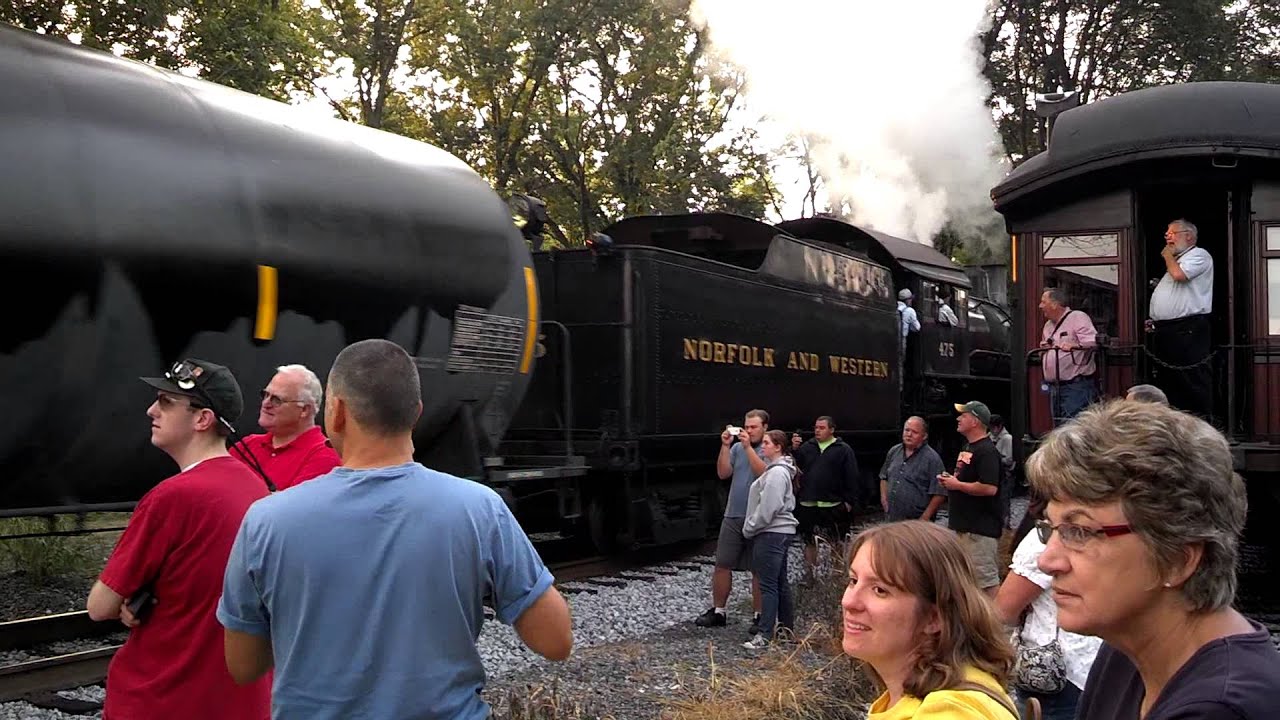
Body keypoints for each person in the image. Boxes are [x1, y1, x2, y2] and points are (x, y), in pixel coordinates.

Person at [217, 339, 572, 719]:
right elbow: (555, 641)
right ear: (416, 413)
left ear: (336, 412)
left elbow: (244, 666)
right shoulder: (479, 508)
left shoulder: (267, 519)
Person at [1027, 399, 1280, 719]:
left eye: (1078, 531)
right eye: (1051, 528)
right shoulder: (1125, 650)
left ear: (1177, 558)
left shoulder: (1220, 709)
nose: (1047, 561)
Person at [87, 359, 270, 720]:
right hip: (238, 701)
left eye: (166, 402)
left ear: (202, 419)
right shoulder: (255, 487)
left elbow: (100, 607)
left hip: (165, 698)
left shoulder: (173, 496)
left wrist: (128, 599)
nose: (151, 410)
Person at [842, 521, 1018, 720]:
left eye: (880, 590)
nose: (849, 602)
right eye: (853, 580)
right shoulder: (948, 685)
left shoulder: (950, 713)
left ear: (934, 618)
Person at [995, 496, 1102, 720]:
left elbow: (1004, 610)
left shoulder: (1043, 542)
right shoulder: (1101, 535)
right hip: (1092, 668)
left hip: (1055, 671)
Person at [695, 409, 767, 630]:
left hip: (757, 517)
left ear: (765, 427)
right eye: (746, 427)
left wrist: (747, 448)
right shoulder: (736, 448)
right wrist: (725, 446)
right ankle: (718, 612)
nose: (749, 431)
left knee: (758, 568)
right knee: (722, 564)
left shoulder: (769, 449)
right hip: (733, 514)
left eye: (754, 427)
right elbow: (723, 473)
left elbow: (763, 473)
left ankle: (759, 615)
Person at [1147, 218, 1214, 419]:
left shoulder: (1198, 255)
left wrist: (1168, 256)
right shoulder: (1178, 260)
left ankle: (1199, 423)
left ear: (1188, 236)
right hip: (1168, 329)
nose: (1167, 236)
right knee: (1172, 380)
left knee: (1190, 380)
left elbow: (1179, 275)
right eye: (1166, 233)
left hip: (1187, 329)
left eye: (1172, 232)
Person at [937, 401, 1004, 597]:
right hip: (964, 528)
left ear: (975, 421)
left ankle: (1000, 623)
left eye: (963, 415)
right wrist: (951, 480)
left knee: (986, 583)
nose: (958, 418)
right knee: (968, 581)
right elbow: (966, 479)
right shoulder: (969, 447)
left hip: (979, 532)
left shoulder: (987, 451)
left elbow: (990, 488)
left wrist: (957, 486)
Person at [239, 364, 340, 490]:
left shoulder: (324, 456)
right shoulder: (248, 444)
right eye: (265, 395)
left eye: (276, 400)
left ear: (304, 410)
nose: (265, 403)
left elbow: (290, 508)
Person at [742, 429, 799, 649]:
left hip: (771, 533)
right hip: (779, 532)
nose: (762, 446)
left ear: (778, 447)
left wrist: (751, 526)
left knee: (768, 585)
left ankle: (764, 634)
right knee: (780, 583)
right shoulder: (780, 471)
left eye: (766, 443)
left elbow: (769, 507)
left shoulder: (776, 473)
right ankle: (785, 630)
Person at [793, 416, 861, 576]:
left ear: (832, 430)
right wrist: (795, 449)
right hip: (809, 503)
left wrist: (849, 501)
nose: (817, 430)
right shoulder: (807, 447)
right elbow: (796, 468)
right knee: (808, 540)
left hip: (833, 503)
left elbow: (851, 475)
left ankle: (836, 572)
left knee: (836, 540)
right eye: (816, 427)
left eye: (822, 428)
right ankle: (809, 572)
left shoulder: (843, 449)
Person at [1038, 288, 1098, 426]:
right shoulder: (1047, 326)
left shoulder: (1078, 317)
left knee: (1072, 428)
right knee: (1059, 429)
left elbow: (1093, 341)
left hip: (1075, 386)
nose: (1040, 306)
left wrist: (1075, 345)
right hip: (1054, 387)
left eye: (1043, 302)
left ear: (1055, 304)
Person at [878, 416, 946, 523]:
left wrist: (925, 518)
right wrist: (884, 499)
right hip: (892, 520)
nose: (909, 434)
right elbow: (884, 476)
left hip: (917, 523)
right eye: (907, 430)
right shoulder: (894, 451)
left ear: (924, 436)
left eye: (914, 432)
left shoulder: (932, 459)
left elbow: (940, 493)